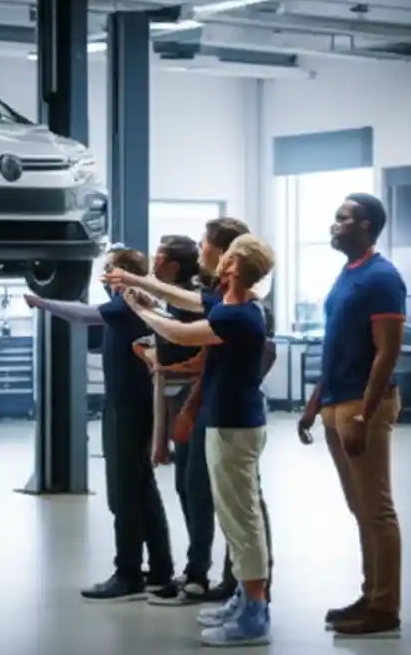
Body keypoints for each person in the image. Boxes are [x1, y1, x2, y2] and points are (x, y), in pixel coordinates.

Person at [105, 218, 275, 606]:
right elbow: (185, 301)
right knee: (235, 517)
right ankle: (242, 600)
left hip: (235, 425)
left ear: (231, 264)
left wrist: (138, 308)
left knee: (241, 519)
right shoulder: (230, 303)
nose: (204, 254)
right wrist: (139, 285)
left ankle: (252, 606)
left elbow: (180, 333)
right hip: (226, 420)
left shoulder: (238, 315)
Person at [25, 246, 173, 601]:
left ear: (122, 272)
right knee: (141, 489)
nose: (103, 277)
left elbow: (83, 315)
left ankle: (128, 573)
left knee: (124, 493)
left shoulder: (128, 302)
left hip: (126, 409)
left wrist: (43, 302)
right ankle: (159, 568)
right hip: (134, 405)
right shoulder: (138, 302)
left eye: (108, 270)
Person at [297, 192, 406, 639]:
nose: (334, 224)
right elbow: (339, 345)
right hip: (335, 402)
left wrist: (364, 412)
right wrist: (314, 401)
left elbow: (387, 352)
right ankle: (370, 594)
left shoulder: (382, 278)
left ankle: (385, 608)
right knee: (360, 508)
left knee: (376, 508)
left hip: (363, 406)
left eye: (343, 218)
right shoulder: (347, 275)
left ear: (365, 226)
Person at [126, 236, 210, 606]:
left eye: (159, 256)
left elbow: (186, 342)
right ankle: (196, 570)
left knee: (199, 492)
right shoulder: (177, 300)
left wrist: (144, 310)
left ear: (173, 265)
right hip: (179, 403)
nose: (153, 261)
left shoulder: (196, 301)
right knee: (185, 487)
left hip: (196, 402)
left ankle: (199, 576)